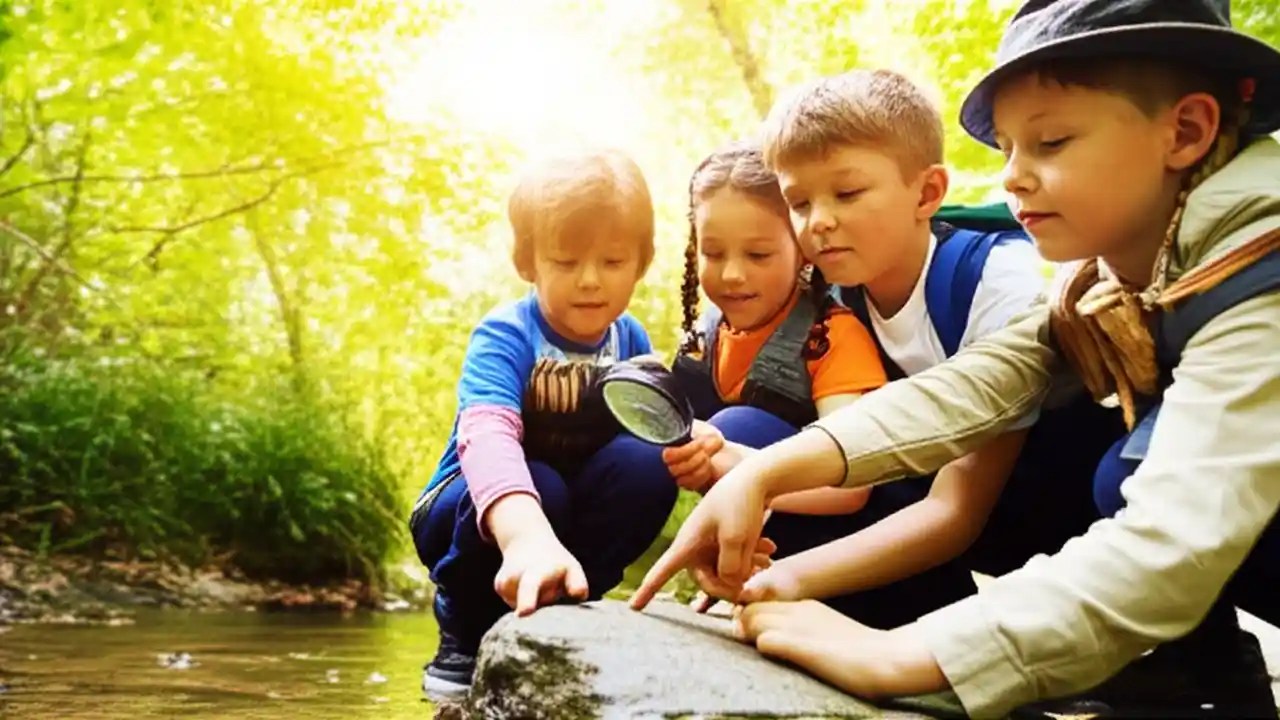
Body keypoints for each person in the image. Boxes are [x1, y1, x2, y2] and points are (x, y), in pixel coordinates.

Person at [632, 1, 1280, 717]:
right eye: (1006, 148)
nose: (1011, 179)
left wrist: (904, 656)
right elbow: (981, 384)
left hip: (1071, 519)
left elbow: (1177, 533)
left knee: (1118, 473)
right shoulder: (1111, 276)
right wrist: (763, 476)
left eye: (1052, 143)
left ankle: (1195, 664)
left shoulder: (1262, 263)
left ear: (1186, 132)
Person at [409, 149, 677, 699]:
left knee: (648, 463)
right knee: (543, 486)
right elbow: (486, 436)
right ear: (530, 263)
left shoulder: (630, 343)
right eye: (565, 262)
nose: (589, 281)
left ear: (640, 264)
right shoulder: (505, 335)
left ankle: (575, 598)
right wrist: (526, 536)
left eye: (612, 262)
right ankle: (463, 620)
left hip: (565, 522)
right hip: (469, 512)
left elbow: (657, 444)